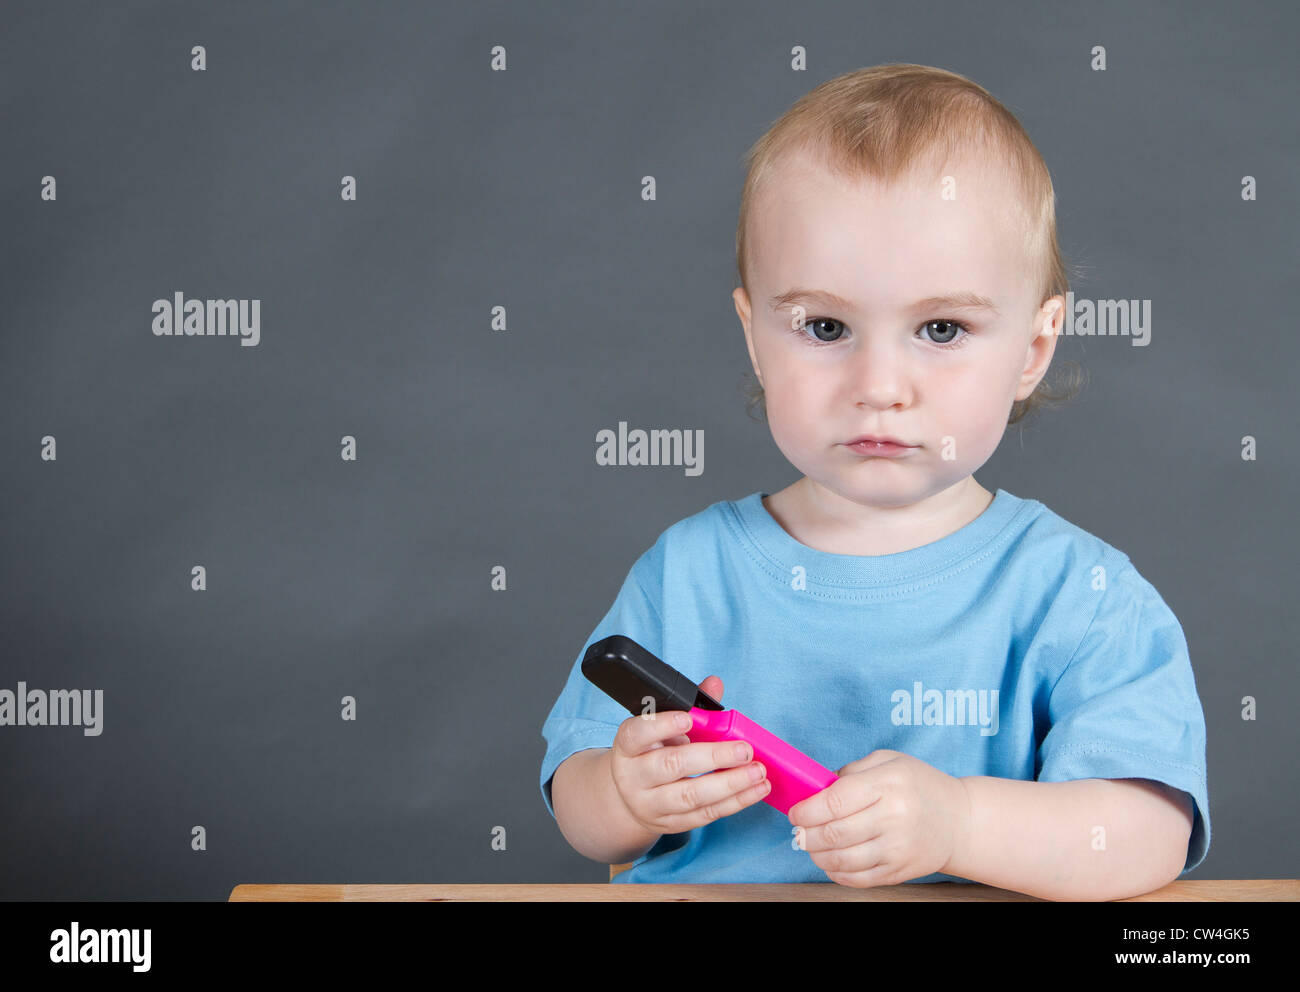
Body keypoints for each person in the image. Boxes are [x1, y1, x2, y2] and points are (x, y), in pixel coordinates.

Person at [538, 63, 1209, 900]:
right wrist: (625, 792)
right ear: (755, 338)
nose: (879, 383)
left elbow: (1145, 834)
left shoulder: (1083, 596)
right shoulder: (688, 574)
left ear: (1032, 352)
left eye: (941, 327)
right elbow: (578, 809)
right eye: (825, 326)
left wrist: (960, 823)